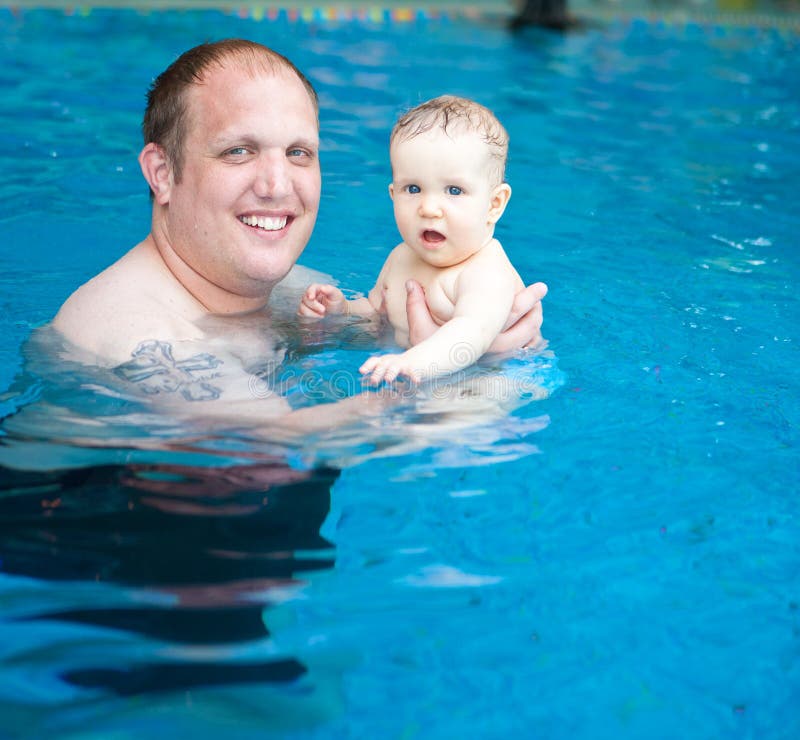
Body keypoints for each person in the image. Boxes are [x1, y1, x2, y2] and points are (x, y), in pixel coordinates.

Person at [50, 39, 546, 428]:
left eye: (298, 153)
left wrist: (477, 341)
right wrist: (471, 377)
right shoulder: (141, 336)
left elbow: (380, 330)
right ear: (162, 173)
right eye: (238, 151)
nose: (277, 185)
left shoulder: (294, 292)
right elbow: (288, 438)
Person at [299, 95, 535, 385]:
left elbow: (472, 332)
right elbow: (377, 316)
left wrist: (415, 361)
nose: (429, 208)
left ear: (494, 204)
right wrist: (341, 313)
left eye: (454, 190)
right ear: (392, 195)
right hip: (407, 368)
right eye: (413, 188)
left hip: (488, 385)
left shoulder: (486, 271)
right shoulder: (401, 257)